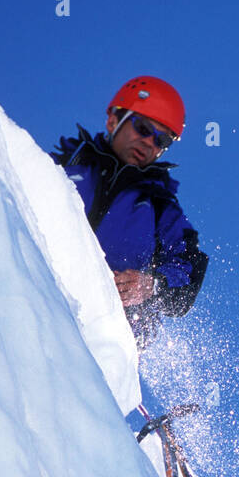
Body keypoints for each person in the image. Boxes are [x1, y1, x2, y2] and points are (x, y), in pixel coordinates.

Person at [51, 76, 208, 347]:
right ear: (113, 120)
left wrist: (152, 285)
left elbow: (189, 271)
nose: (149, 143)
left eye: (161, 140)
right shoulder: (61, 169)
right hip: (39, 300)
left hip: (99, 346)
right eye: (143, 127)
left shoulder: (159, 208)